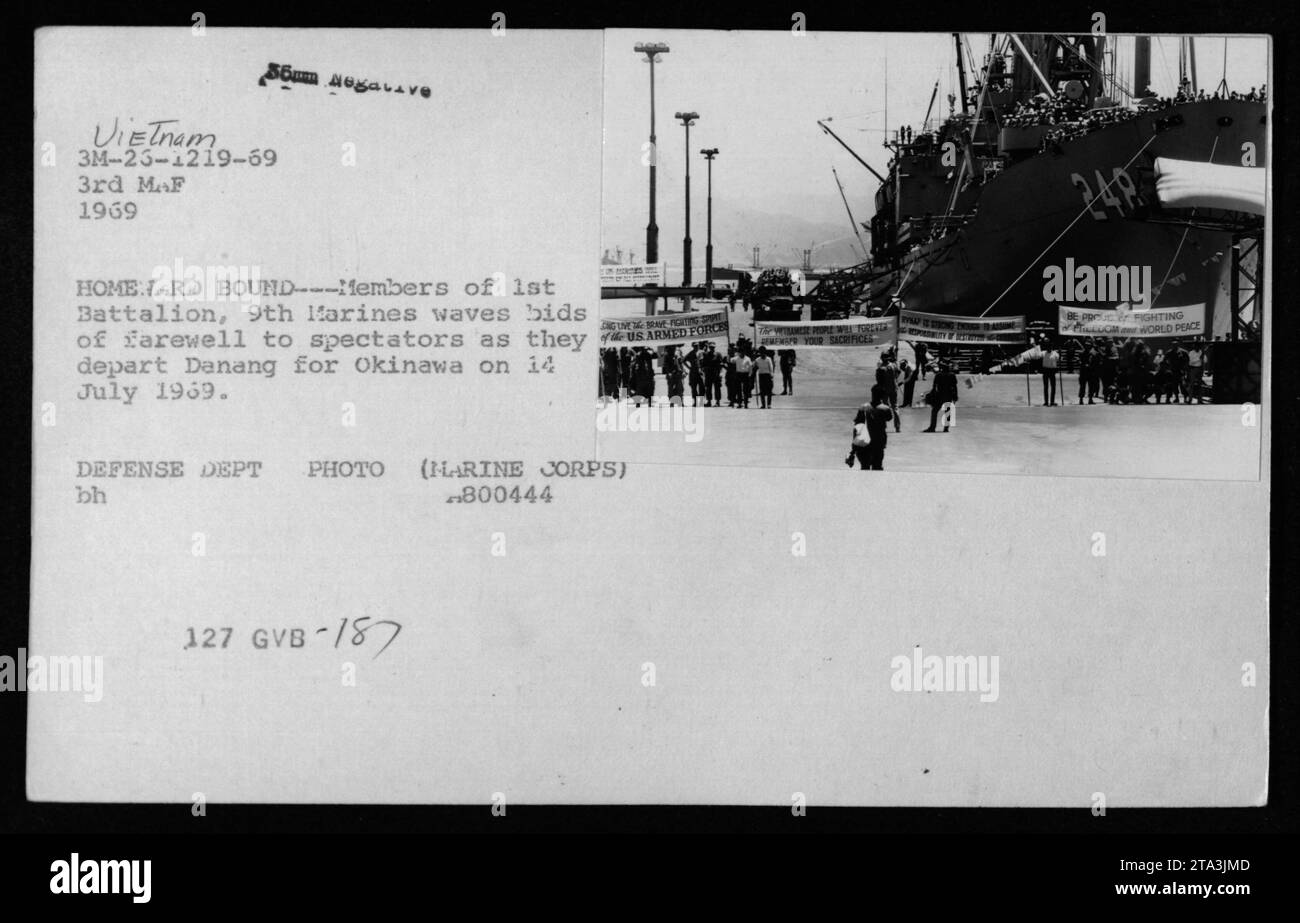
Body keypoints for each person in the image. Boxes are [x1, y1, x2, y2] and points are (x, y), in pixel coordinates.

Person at [923, 361, 959, 432]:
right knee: (947, 412)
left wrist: (931, 394)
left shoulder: (938, 375)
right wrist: (955, 396)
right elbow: (954, 387)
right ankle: (946, 428)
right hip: (949, 395)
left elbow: (934, 386)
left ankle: (932, 427)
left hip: (939, 395)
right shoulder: (952, 375)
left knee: (934, 411)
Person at [875, 351, 901, 433]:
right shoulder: (893, 365)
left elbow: (878, 380)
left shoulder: (881, 368)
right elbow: (898, 372)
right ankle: (897, 427)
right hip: (893, 388)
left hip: (884, 389)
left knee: (884, 407)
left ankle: (883, 426)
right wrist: (895, 380)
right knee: (895, 407)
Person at [701, 342, 723, 406]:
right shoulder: (706, 354)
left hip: (716, 373)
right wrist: (704, 370)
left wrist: (721, 373)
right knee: (708, 388)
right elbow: (703, 364)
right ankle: (709, 401)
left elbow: (721, 364)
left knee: (717, 388)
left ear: (715, 348)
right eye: (710, 347)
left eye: (713, 347)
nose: (712, 348)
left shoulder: (718, 354)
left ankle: (717, 402)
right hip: (708, 373)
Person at [1040, 340, 1060, 405]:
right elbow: (1037, 355)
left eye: (1050, 346)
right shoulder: (1043, 353)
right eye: (1048, 346)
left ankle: (1052, 401)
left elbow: (1058, 359)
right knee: (1046, 387)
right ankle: (1046, 401)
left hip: (1052, 371)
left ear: (1051, 347)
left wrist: (1060, 354)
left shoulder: (1055, 353)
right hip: (1045, 370)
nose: (1049, 348)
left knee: (1053, 387)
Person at [1187, 338, 1206, 403]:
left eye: (1198, 345)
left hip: (1200, 369)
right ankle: (1190, 399)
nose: (1197, 347)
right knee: (1191, 384)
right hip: (1193, 369)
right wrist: (1199, 358)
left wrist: (1203, 357)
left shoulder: (1201, 352)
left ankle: (1199, 399)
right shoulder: (1191, 353)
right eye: (1196, 345)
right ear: (1194, 346)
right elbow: (1191, 362)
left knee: (1199, 385)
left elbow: (1206, 361)